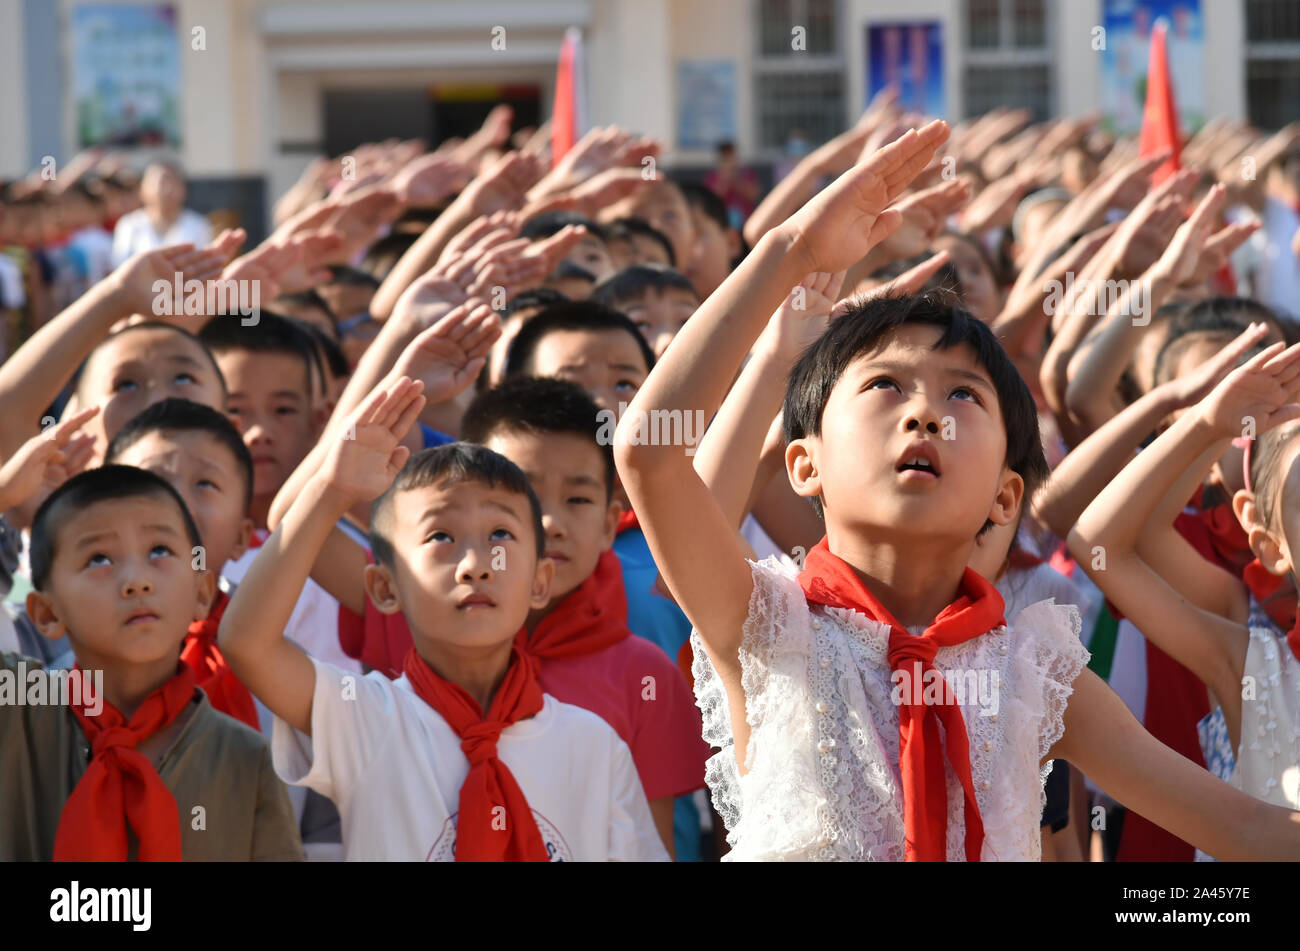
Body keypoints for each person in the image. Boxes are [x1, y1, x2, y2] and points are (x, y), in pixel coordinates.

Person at [614, 120, 1300, 860]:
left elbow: (1247, 830)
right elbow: (651, 452)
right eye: (884, 384)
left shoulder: (1034, 670)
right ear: (803, 464)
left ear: (1007, 499)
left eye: (964, 397)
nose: (924, 413)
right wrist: (788, 256)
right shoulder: (768, 625)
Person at [218, 377, 668, 861]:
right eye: (440, 538)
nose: (475, 564)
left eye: (500, 533)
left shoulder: (595, 746)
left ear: (539, 582)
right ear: (385, 588)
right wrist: (333, 489)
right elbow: (248, 642)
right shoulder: (362, 718)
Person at [0, 462, 301, 860]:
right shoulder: (18, 710)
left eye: (159, 551)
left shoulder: (245, 757)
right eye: (99, 559)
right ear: (46, 614)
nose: (136, 580)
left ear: (201, 593)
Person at [111, 162, 213, 266]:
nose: (168, 189)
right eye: (161, 182)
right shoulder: (129, 224)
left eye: (174, 182)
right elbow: (120, 267)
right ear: (143, 189)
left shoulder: (198, 224)